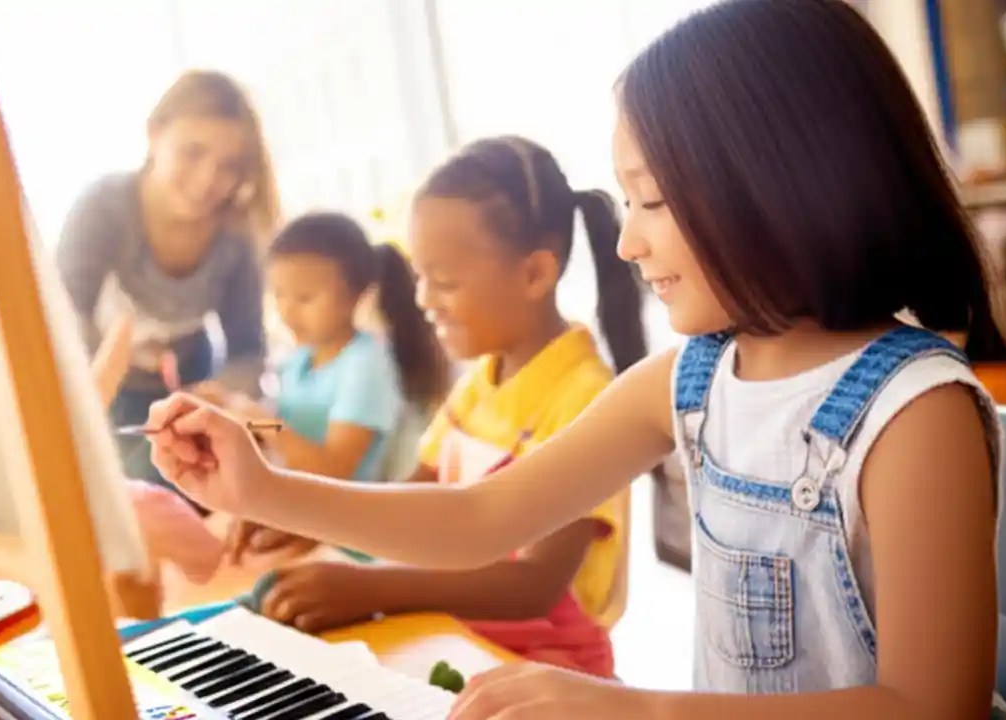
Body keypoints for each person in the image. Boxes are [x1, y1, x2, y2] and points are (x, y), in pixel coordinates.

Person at [146, 1, 1006, 717]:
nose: (628, 241)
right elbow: (482, 519)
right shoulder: (691, 377)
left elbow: (932, 706)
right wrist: (261, 490)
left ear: (786, 186)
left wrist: (642, 708)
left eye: (654, 200)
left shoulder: (914, 412)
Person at [224, 138, 643, 679]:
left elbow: (532, 587)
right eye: (421, 277)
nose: (423, 299)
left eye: (443, 282)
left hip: (549, 673)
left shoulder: (585, 395)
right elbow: (413, 497)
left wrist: (372, 587)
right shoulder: (480, 381)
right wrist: (308, 518)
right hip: (458, 639)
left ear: (536, 274)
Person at [56, 69, 280, 486]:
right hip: (109, 385)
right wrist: (116, 361)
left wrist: (221, 393)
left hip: (193, 382)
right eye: (192, 152)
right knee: (135, 485)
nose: (207, 180)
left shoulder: (236, 234)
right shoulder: (103, 208)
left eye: (229, 166)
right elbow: (60, 323)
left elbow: (249, 349)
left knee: (208, 479)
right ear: (154, 133)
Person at [204, 211, 450, 559]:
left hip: (350, 541)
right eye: (279, 296)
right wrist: (226, 408)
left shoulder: (365, 364)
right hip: (304, 518)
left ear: (355, 296)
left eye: (304, 298)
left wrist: (258, 420)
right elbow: (281, 443)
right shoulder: (300, 360)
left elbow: (334, 469)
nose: (288, 312)